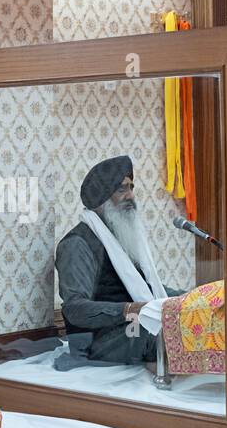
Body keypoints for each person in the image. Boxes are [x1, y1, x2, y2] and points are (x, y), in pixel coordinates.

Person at [55, 155, 184, 363]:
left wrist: (190, 298)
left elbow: (149, 289)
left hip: (130, 327)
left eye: (131, 188)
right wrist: (128, 310)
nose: (130, 196)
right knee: (155, 333)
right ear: (101, 199)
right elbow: (74, 309)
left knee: (188, 322)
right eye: (121, 189)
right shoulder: (77, 244)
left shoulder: (121, 236)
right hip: (98, 342)